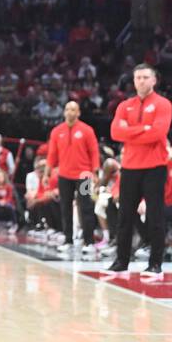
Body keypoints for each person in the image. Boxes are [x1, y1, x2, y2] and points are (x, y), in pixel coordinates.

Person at [109, 63, 172, 275]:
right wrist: (143, 129)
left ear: (154, 80)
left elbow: (157, 133)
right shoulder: (124, 105)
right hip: (129, 167)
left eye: (145, 77)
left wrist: (131, 131)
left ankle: (155, 263)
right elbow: (115, 133)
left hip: (155, 166)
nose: (141, 81)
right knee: (124, 216)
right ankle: (121, 261)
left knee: (155, 216)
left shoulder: (163, 104)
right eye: (138, 78)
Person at [47, 100, 101, 254]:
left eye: (73, 109)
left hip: (84, 175)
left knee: (86, 207)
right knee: (65, 208)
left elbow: (94, 152)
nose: (70, 112)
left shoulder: (87, 130)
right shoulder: (57, 131)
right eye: (67, 109)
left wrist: (95, 172)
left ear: (78, 113)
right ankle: (68, 240)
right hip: (64, 175)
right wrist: (47, 173)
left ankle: (89, 242)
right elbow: (52, 154)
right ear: (64, 112)